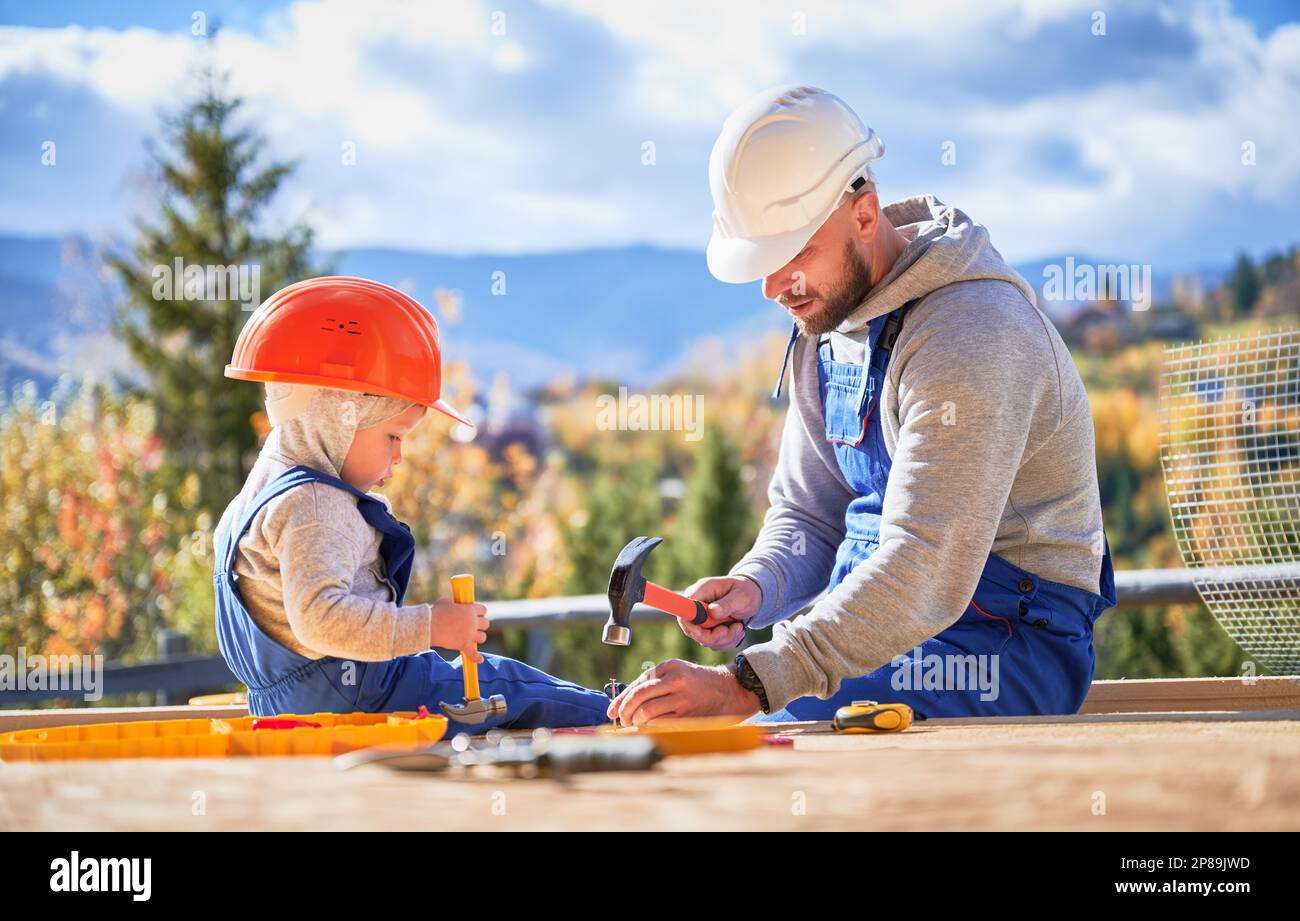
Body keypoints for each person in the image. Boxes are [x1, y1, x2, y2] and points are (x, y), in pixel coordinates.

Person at [609, 86, 1116, 726]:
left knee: (763, 740)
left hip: (1000, 649)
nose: (773, 287)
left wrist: (749, 683)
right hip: (877, 632)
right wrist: (759, 584)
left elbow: (923, 565)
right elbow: (811, 514)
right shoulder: (832, 321)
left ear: (866, 216)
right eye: (761, 262)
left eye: (792, 254)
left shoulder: (971, 337)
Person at [214, 275, 611, 727]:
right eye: (393, 436)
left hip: (292, 706)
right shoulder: (314, 506)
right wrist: (431, 627)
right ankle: (623, 716)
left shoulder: (251, 502)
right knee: (517, 691)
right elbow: (321, 621)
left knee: (513, 687)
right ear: (338, 417)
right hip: (368, 698)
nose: (399, 456)